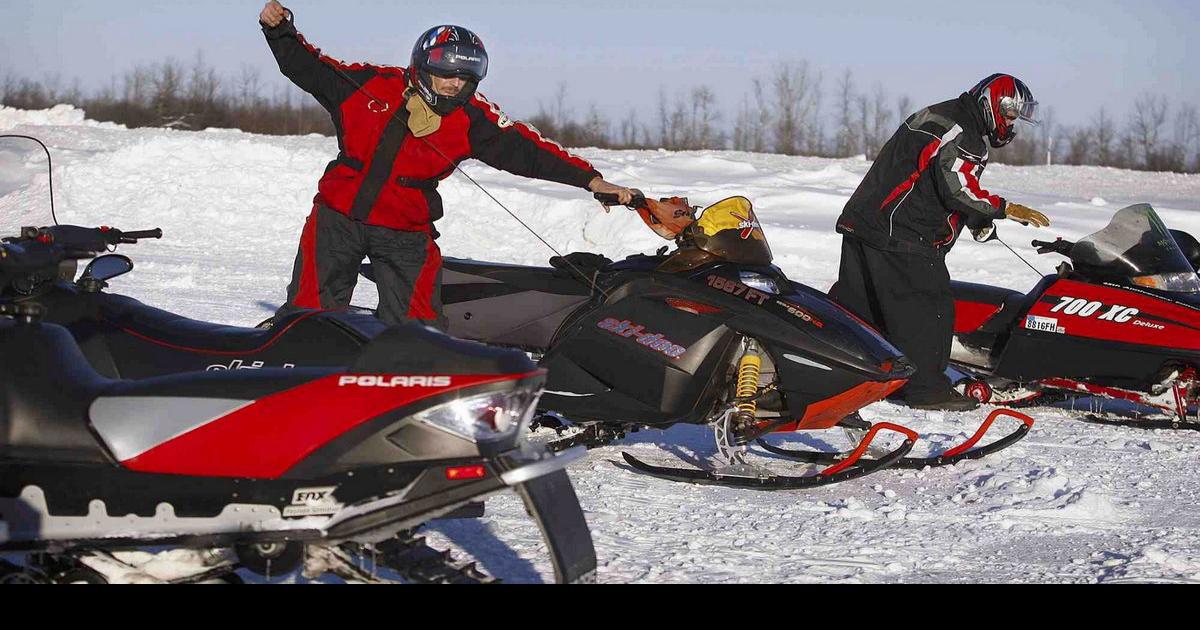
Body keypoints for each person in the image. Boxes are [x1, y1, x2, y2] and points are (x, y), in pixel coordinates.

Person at [258, 1, 636, 327]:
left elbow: (529, 150)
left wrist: (590, 180)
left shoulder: (471, 118)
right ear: (423, 63)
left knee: (418, 329)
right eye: (446, 72)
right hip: (336, 222)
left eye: (464, 76)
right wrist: (280, 32)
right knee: (309, 318)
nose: (455, 84)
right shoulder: (373, 85)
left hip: (406, 231)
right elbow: (311, 68)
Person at [831, 73, 1050, 411]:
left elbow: (926, 175)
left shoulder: (940, 114)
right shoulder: (967, 135)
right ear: (993, 104)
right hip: (903, 236)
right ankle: (925, 389)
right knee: (929, 310)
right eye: (1009, 115)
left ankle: (836, 374)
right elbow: (956, 184)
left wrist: (976, 218)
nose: (1010, 125)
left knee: (856, 308)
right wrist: (1002, 208)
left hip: (863, 222)